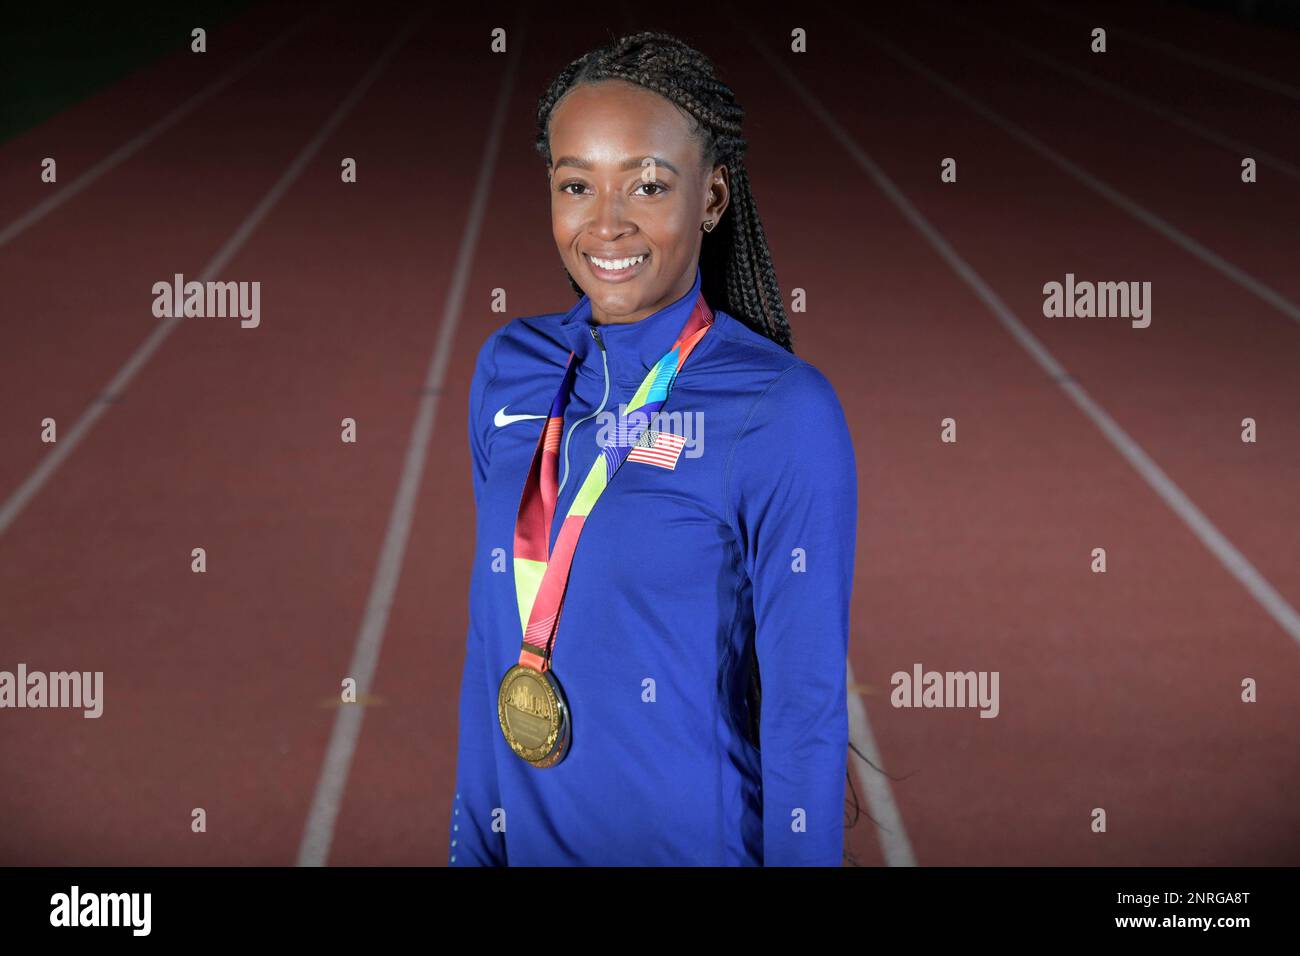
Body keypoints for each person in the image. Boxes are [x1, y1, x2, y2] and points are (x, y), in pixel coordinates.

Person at [449, 31, 858, 866]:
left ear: (711, 199)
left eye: (647, 183)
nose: (606, 223)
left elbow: (803, 712)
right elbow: (495, 643)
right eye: (575, 184)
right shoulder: (509, 372)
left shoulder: (780, 410)